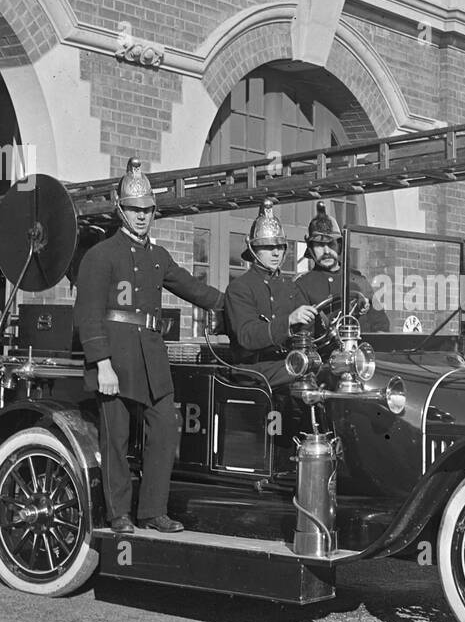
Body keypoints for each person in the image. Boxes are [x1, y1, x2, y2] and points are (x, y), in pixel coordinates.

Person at [75, 158, 223, 535]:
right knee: (117, 439)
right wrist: (101, 364)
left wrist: (231, 305)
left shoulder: (158, 257)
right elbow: (89, 314)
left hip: (152, 357)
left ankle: (153, 511)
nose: (141, 216)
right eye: (134, 209)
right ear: (120, 209)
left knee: (165, 432)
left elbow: (194, 288)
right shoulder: (101, 255)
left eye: (147, 210)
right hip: (116, 359)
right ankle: (119, 514)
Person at [223, 198, 317, 386]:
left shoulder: (290, 287)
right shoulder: (239, 288)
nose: (276, 253)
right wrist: (289, 321)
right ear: (253, 249)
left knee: (332, 371)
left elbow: (307, 333)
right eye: (268, 246)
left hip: (286, 364)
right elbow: (247, 336)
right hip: (252, 370)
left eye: (280, 246)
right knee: (306, 374)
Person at [294, 202, 390, 332]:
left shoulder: (358, 281)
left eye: (331, 244)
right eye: (319, 245)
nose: (326, 251)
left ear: (340, 245)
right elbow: (303, 334)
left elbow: (381, 325)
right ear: (310, 248)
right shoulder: (303, 285)